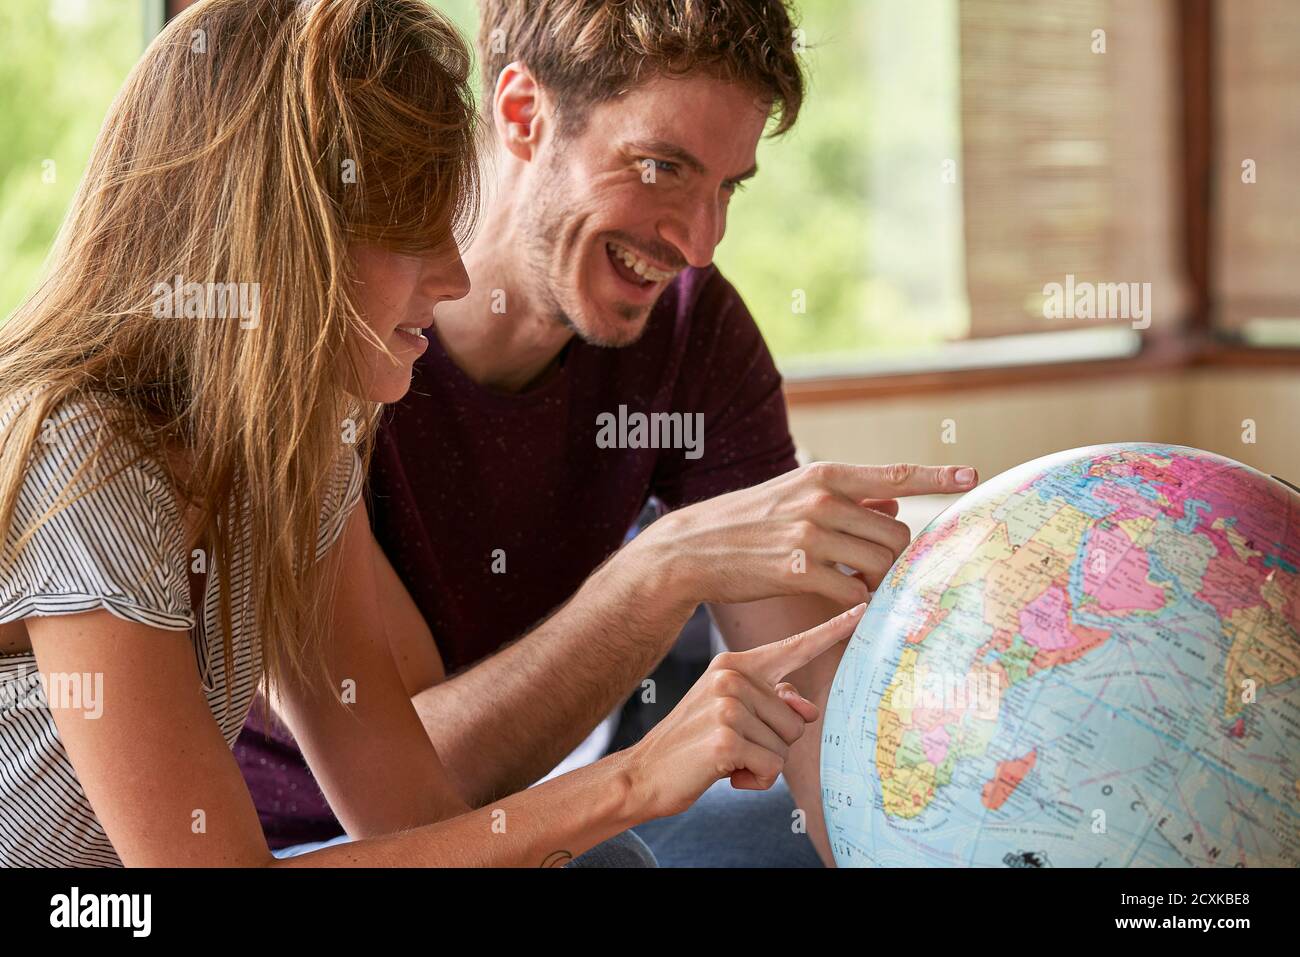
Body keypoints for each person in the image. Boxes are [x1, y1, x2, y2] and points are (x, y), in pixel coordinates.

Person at [0, 0, 869, 868]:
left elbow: (408, 810)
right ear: (287, 241)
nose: (453, 275)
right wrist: (634, 778)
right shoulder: (89, 461)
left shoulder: (306, 442)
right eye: (411, 232)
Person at [237, 0, 980, 866]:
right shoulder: (325, 340)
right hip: (305, 844)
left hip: (533, 813)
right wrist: (667, 566)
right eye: (663, 167)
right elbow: (410, 792)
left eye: (727, 187)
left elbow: (817, 725)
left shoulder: (693, 331)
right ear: (522, 115)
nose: (699, 243)